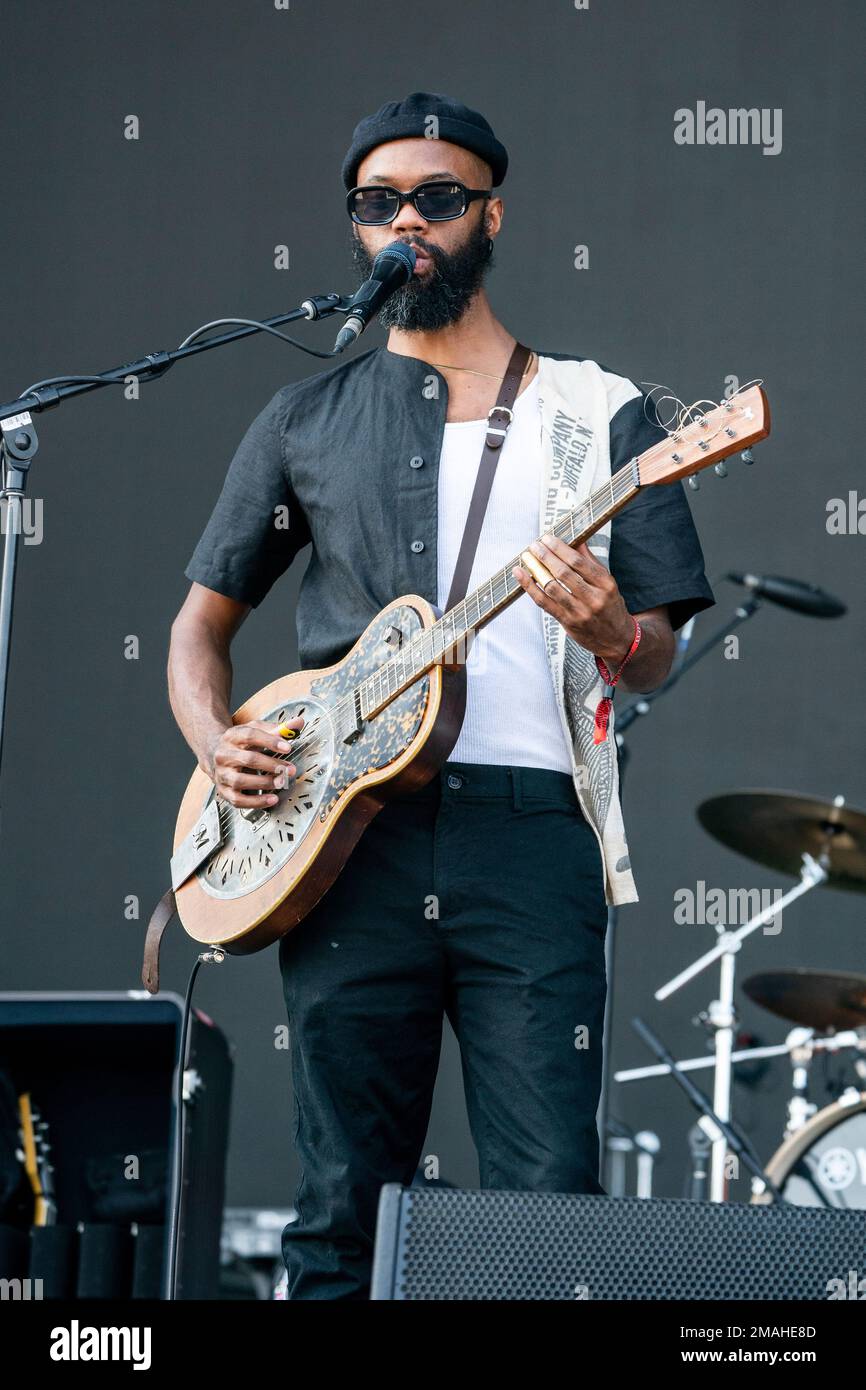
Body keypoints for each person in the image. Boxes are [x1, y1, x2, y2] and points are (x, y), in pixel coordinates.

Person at [168, 92, 714, 1300]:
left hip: (530, 837)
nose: (408, 220)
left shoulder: (601, 407)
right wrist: (218, 742)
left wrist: (610, 629)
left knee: (546, 1207)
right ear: (357, 230)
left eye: (438, 197)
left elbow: (658, 651)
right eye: (380, 204)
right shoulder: (304, 417)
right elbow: (198, 631)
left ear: (491, 215)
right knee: (339, 1209)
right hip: (345, 838)